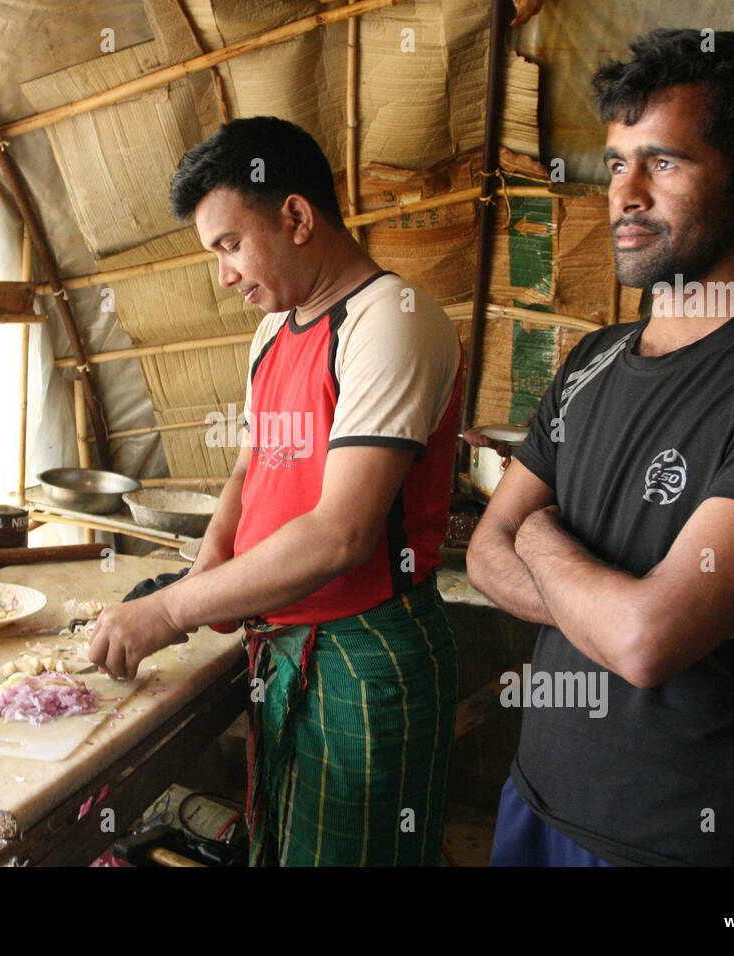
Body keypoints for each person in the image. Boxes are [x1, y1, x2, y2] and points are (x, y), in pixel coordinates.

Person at [467, 28, 734, 866]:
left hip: (669, 839)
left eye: (662, 163)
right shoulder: (592, 361)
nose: (624, 193)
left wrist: (543, 537)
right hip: (536, 793)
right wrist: (615, 608)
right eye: (617, 162)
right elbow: (485, 555)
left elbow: (647, 643)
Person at [86, 116, 464, 866]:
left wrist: (167, 608)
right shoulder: (276, 332)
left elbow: (342, 534)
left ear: (295, 216)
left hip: (366, 654)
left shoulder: (388, 321)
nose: (223, 274)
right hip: (286, 647)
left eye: (229, 244)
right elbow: (248, 473)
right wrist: (204, 591)